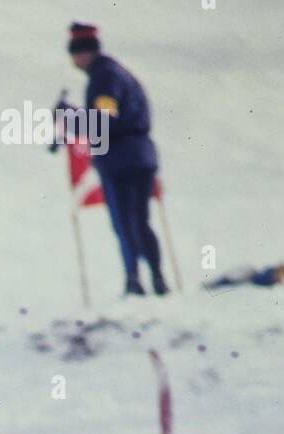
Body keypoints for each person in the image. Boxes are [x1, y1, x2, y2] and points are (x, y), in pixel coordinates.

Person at [67, 21, 167, 297]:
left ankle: (135, 279)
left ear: (85, 52)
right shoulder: (115, 73)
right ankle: (155, 277)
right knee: (138, 218)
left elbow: (103, 122)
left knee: (126, 221)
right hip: (137, 155)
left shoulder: (104, 78)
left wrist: (70, 118)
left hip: (122, 159)